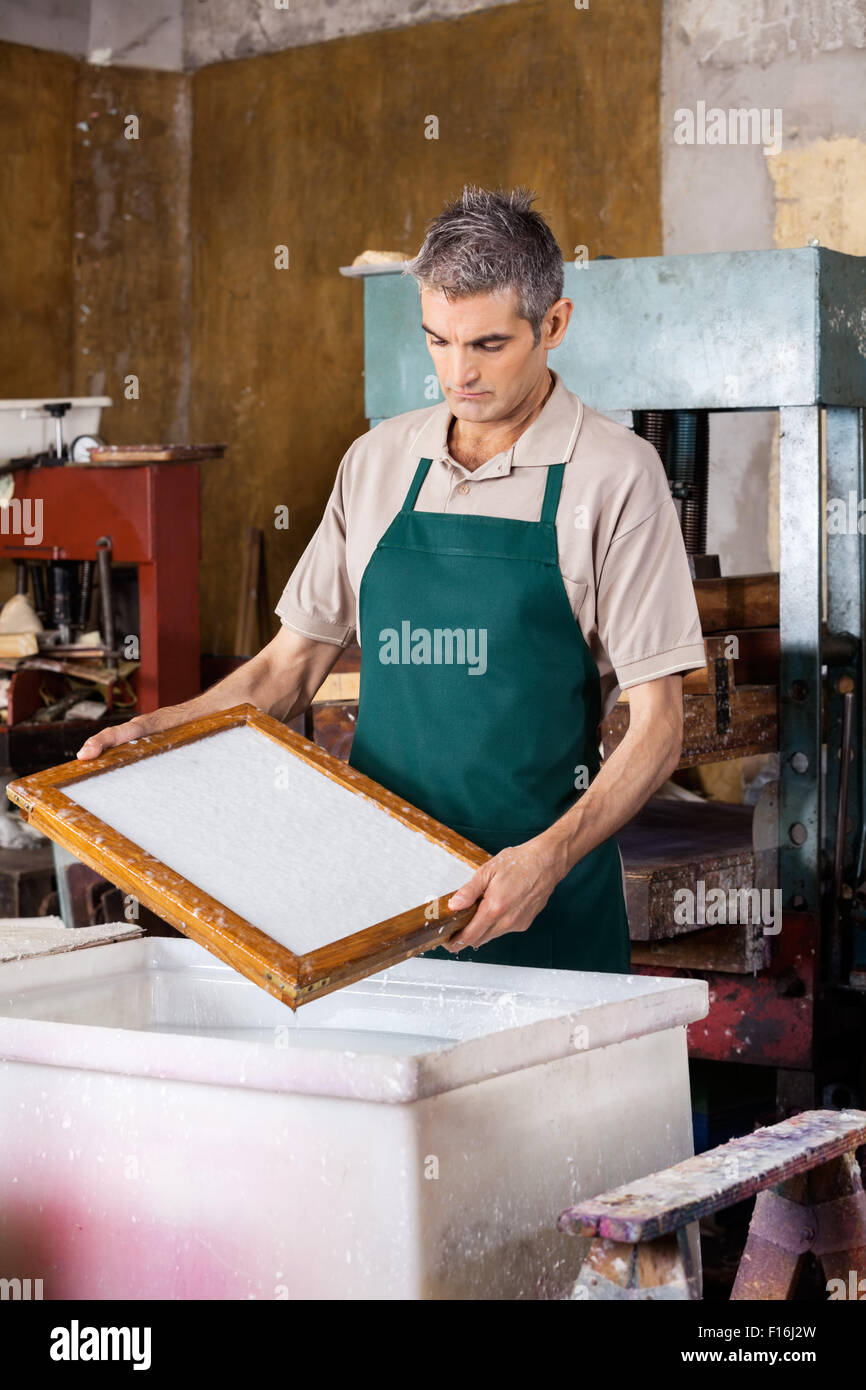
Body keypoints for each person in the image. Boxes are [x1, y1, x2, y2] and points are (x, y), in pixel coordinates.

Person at [79, 186, 706, 973]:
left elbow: (659, 726)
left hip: (539, 910)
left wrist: (546, 860)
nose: (457, 373)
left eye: (487, 345)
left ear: (554, 325)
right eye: (437, 341)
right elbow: (287, 668)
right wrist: (166, 727)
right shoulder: (377, 461)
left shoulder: (615, 473)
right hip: (379, 904)